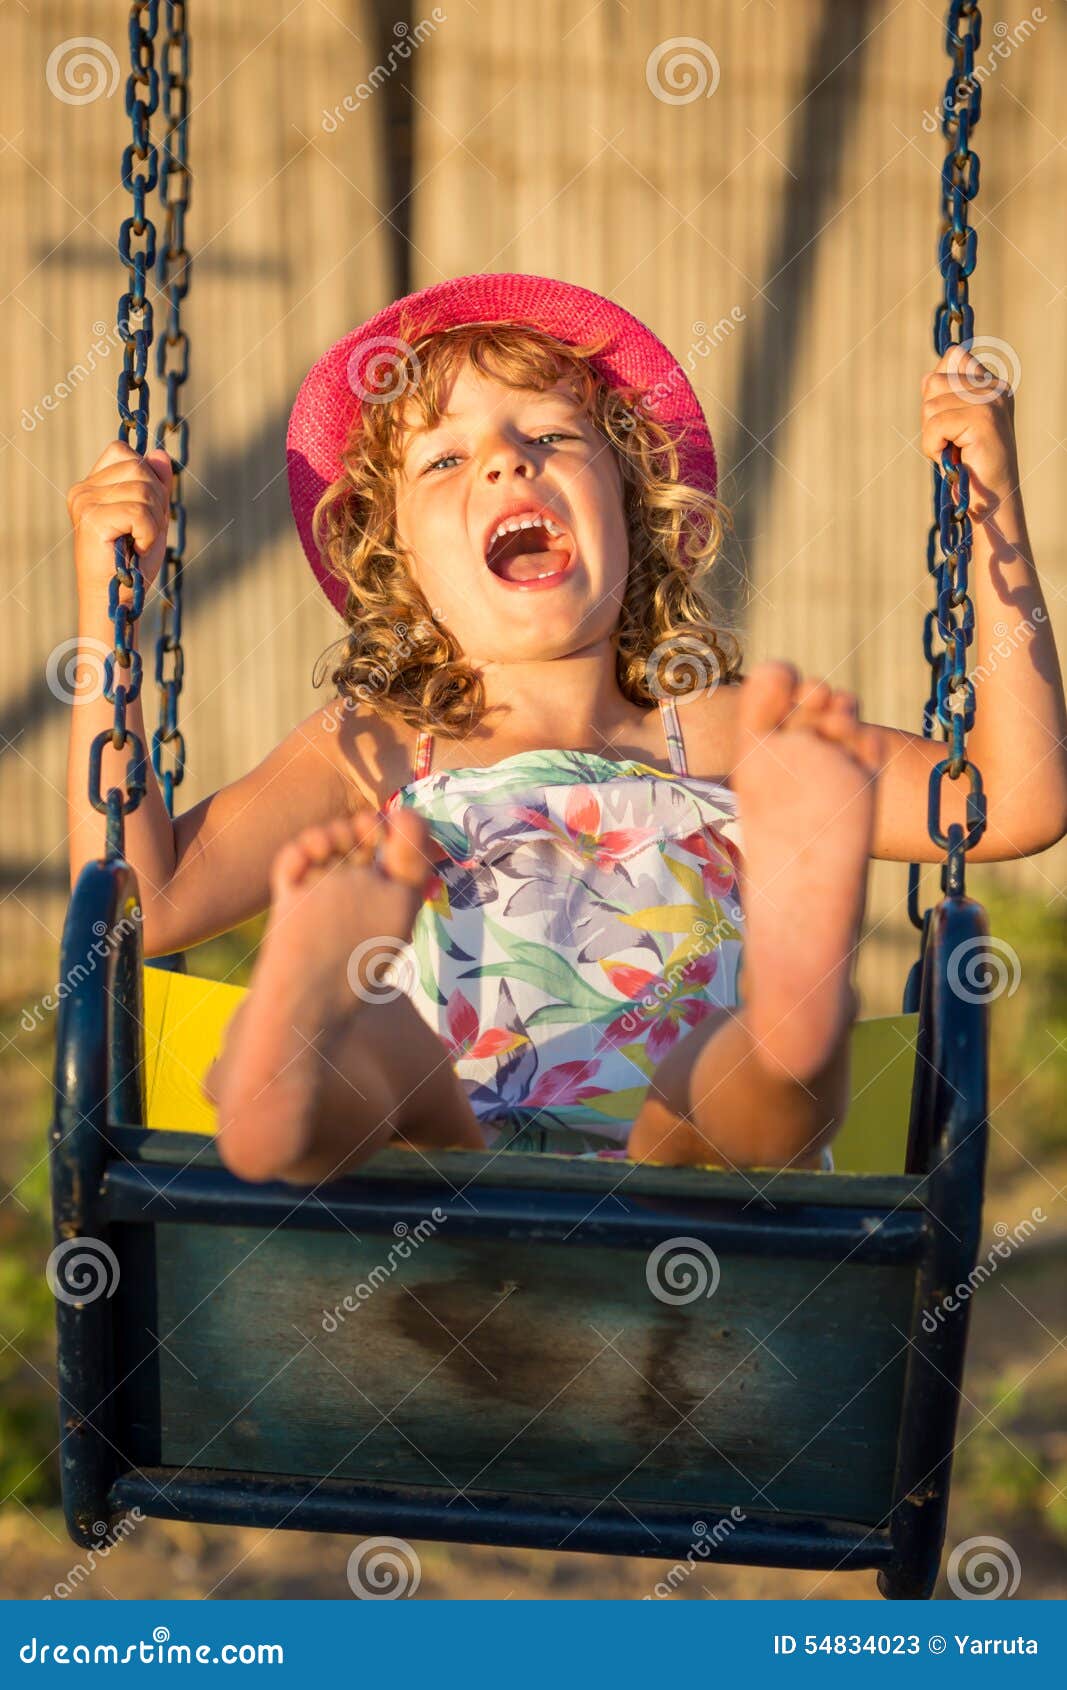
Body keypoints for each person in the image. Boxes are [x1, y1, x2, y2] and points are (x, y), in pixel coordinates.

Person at [65, 274, 1067, 1187]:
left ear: (632, 506)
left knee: (722, 1081)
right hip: (440, 1196)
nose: (505, 462)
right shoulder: (374, 744)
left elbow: (1010, 799)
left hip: (687, 1207)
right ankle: (292, 1059)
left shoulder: (721, 733)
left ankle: (790, 1014)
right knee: (388, 1055)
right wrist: (106, 603)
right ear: (398, 557)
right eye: (447, 458)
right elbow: (138, 901)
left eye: (548, 437)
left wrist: (989, 502)